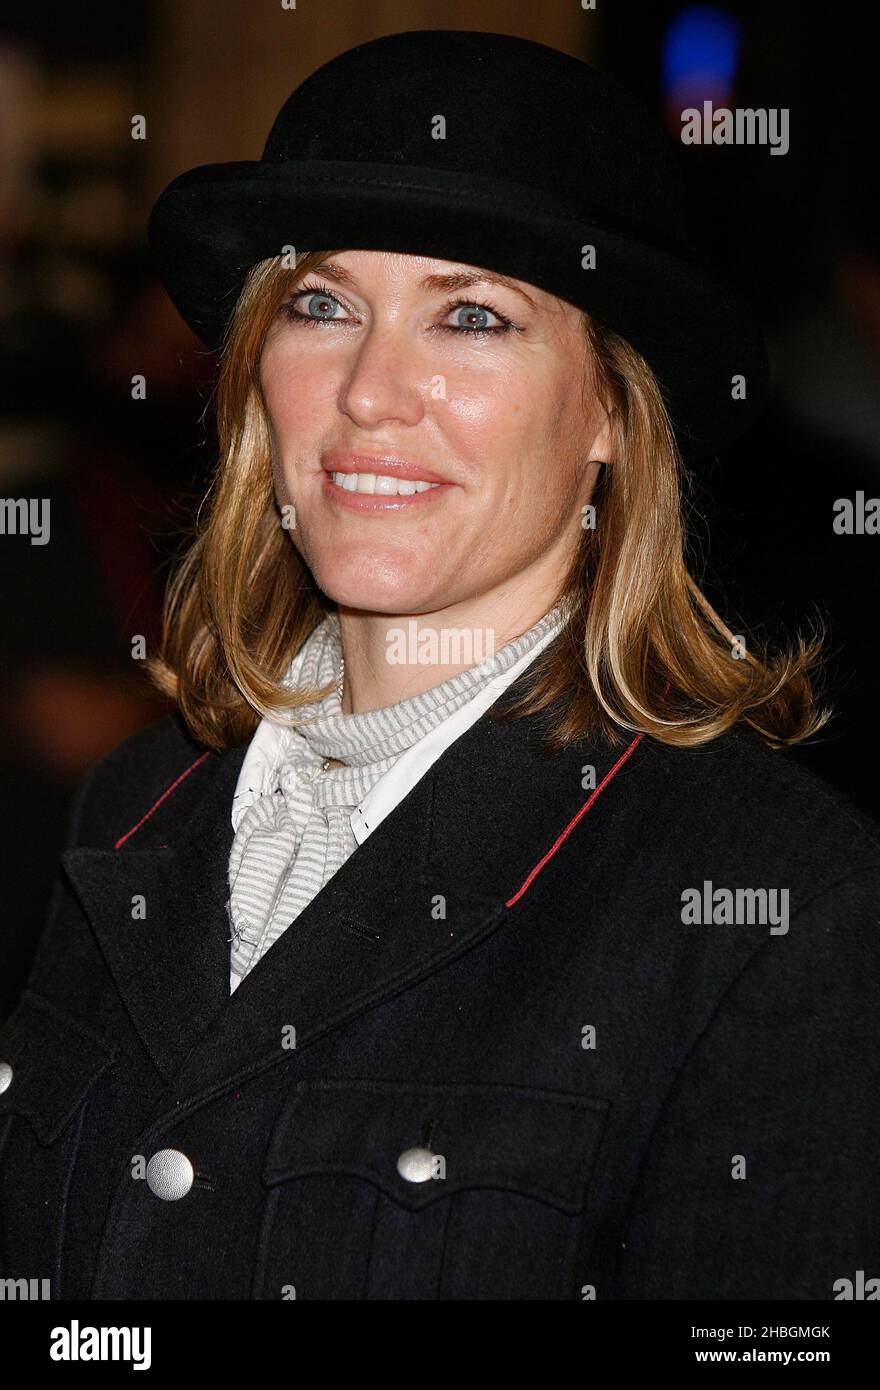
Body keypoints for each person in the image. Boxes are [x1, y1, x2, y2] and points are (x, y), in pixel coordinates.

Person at [1, 29, 878, 1302]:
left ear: (613, 418)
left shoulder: (771, 904)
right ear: (255, 381)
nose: (370, 390)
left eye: (471, 316)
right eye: (322, 306)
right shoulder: (137, 806)